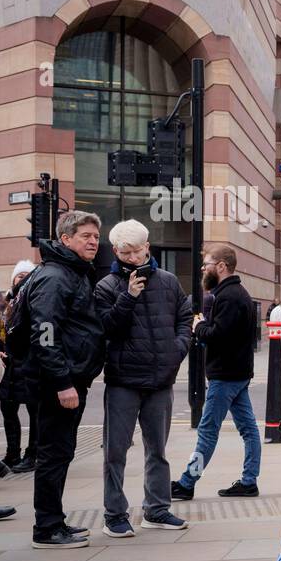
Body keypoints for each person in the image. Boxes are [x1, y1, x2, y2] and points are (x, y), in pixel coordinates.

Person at [94, 219, 192, 536]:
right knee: (115, 451)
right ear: (117, 252)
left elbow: (184, 317)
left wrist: (176, 351)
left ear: (147, 247)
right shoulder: (107, 286)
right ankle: (115, 514)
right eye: (125, 253)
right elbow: (107, 328)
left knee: (158, 450)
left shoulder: (167, 281)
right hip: (123, 380)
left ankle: (157, 509)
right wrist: (130, 297)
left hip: (160, 378)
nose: (132, 258)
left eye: (136, 251)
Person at [23, 211, 106, 548]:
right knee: (53, 453)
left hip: (71, 378)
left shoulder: (72, 273)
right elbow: (45, 334)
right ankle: (46, 528)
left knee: (61, 452)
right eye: (85, 235)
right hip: (57, 382)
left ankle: (54, 521)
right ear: (66, 239)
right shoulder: (56, 277)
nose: (93, 242)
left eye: (96, 237)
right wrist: (62, 383)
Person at [172, 244, 259, 500]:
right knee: (249, 429)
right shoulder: (235, 293)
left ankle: (187, 483)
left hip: (225, 376)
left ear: (221, 266)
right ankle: (249, 481)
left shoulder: (229, 296)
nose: (203, 269)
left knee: (207, 431)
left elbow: (218, 335)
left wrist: (198, 326)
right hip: (237, 373)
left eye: (206, 264)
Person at [0, 260, 39, 473]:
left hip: (29, 362)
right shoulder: (5, 302)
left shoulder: (35, 299)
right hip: (8, 366)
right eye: (19, 276)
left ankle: (32, 454)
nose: (22, 279)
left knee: (34, 411)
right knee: (8, 409)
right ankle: (12, 453)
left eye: (26, 275)